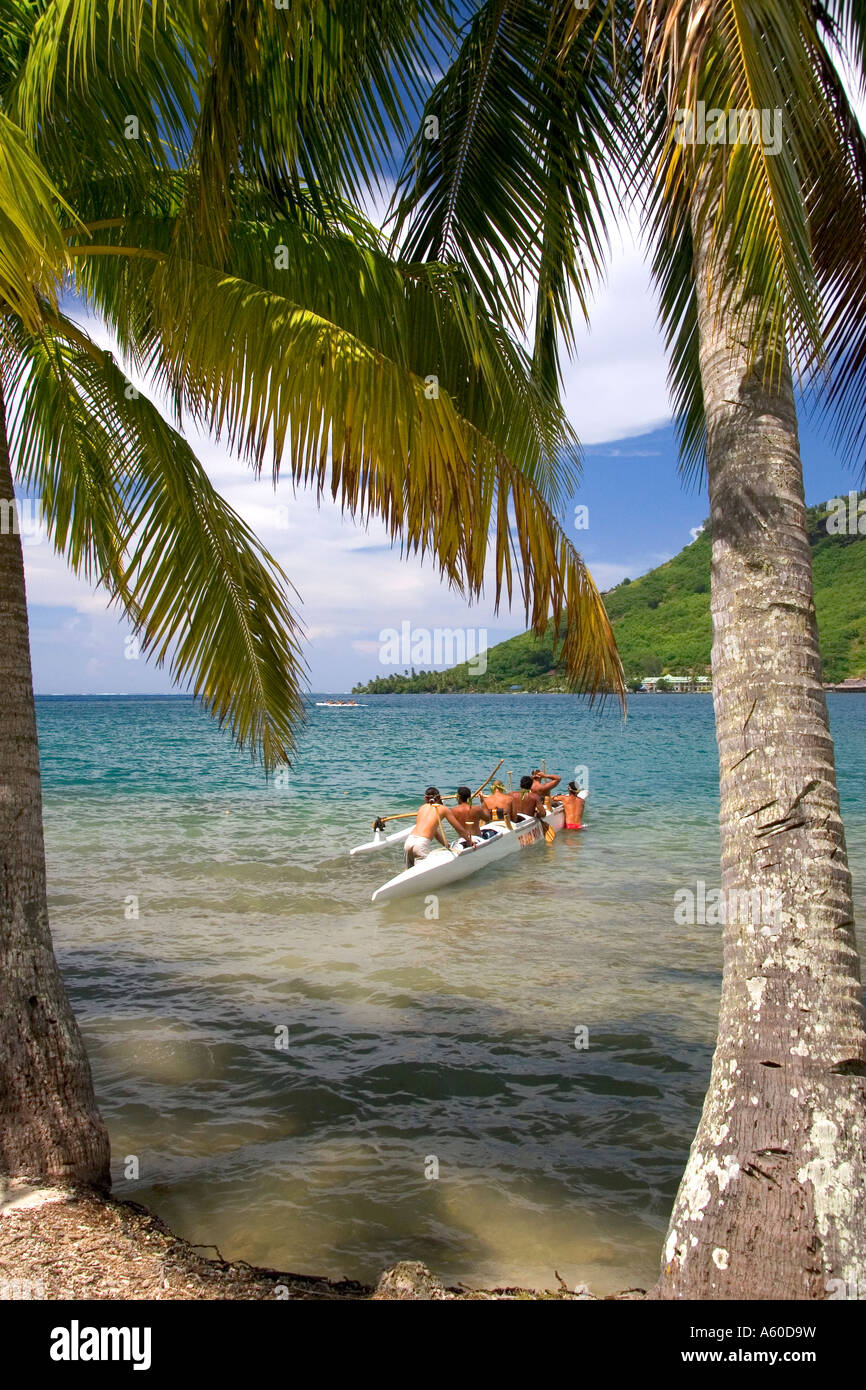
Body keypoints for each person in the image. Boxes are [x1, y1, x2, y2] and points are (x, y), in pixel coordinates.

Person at [404, 787, 469, 867]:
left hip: (409, 840)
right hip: (421, 844)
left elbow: (434, 832)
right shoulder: (444, 809)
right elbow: (459, 829)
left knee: (410, 872)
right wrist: (470, 841)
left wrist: (446, 845)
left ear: (425, 798)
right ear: (438, 797)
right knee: (423, 875)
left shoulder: (421, 808)